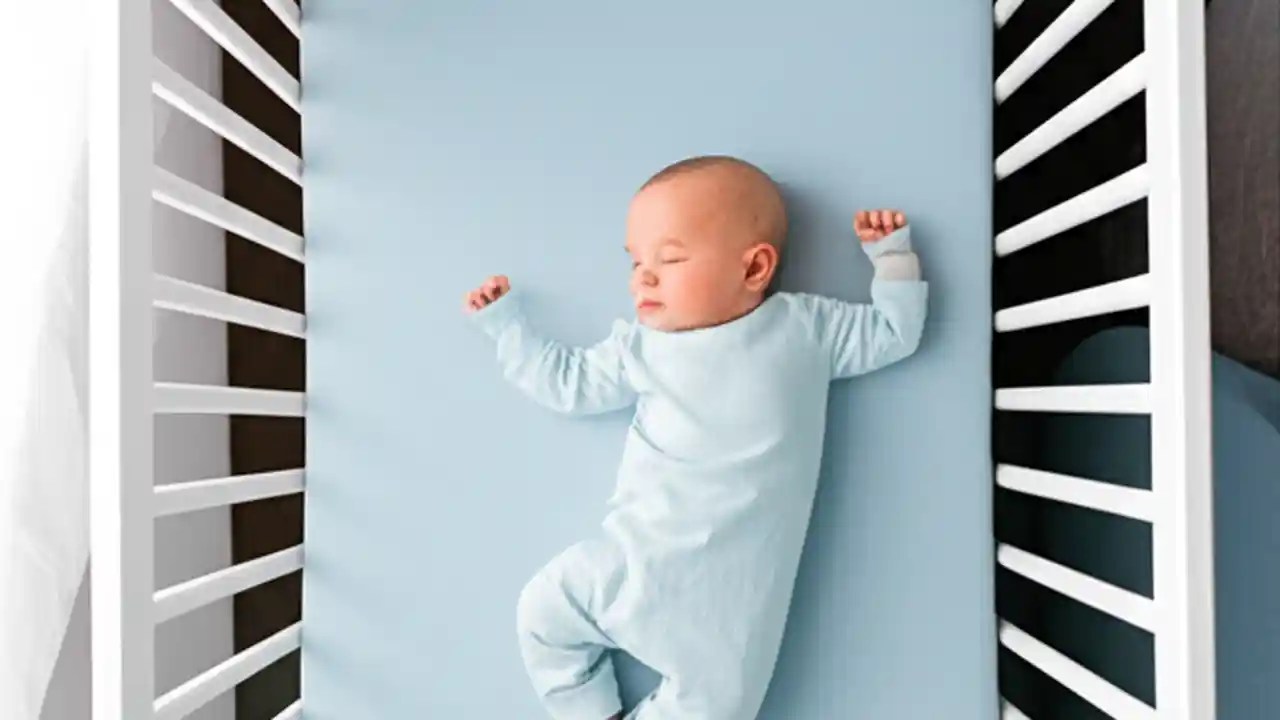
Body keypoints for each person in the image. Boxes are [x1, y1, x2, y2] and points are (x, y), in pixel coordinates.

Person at [465, 155, 927, 719]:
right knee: (543, 612)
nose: (644, 277)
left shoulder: (806, 329)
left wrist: (894, 260)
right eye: (635, 262)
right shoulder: (641, 347)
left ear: (754, 269)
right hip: (635, 563)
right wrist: (509, 328)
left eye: (671, 258)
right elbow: (568, 384)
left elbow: (893, 333)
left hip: (731, 612)